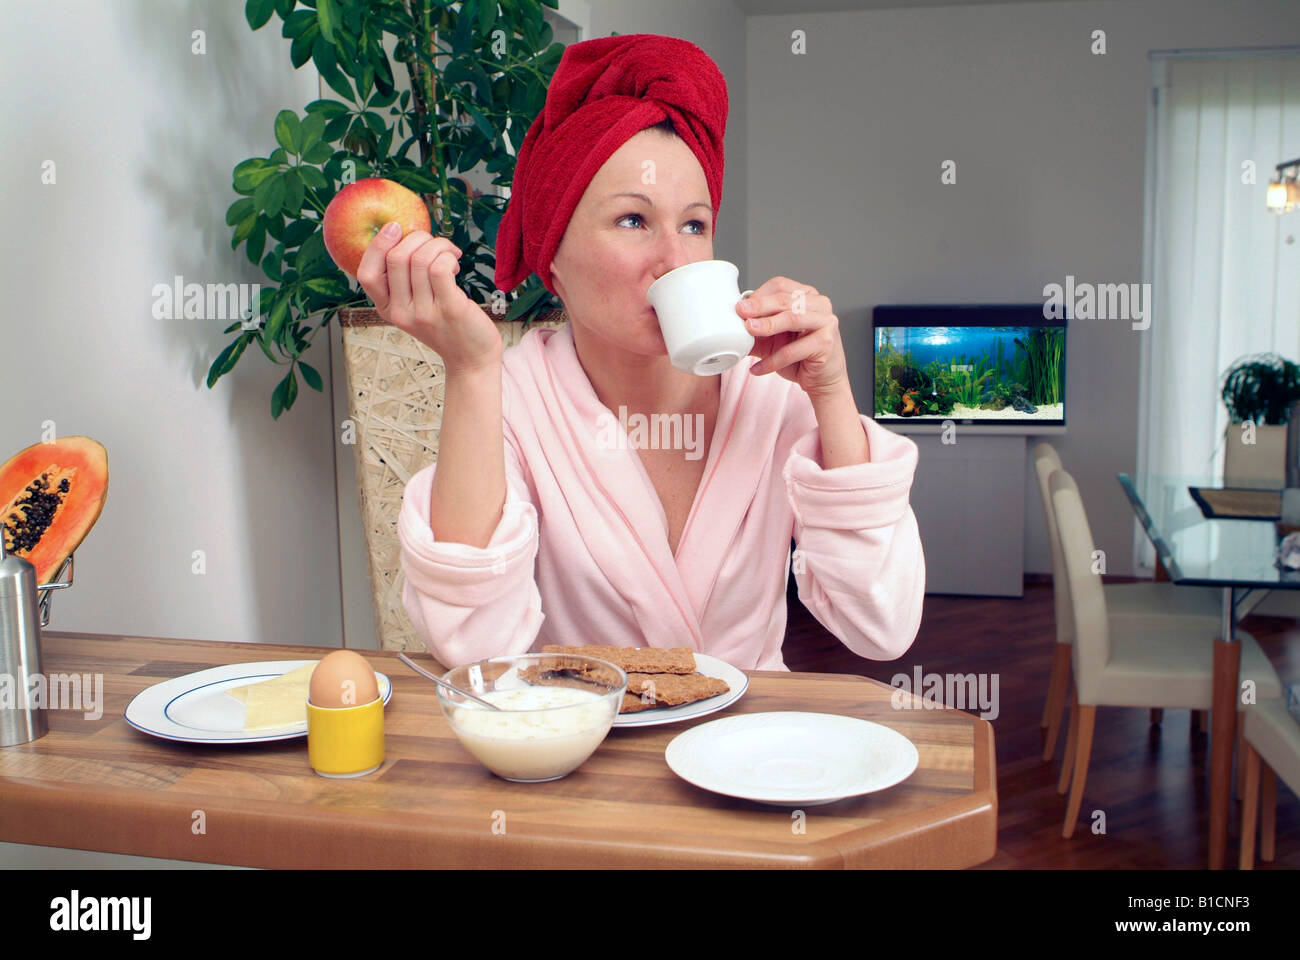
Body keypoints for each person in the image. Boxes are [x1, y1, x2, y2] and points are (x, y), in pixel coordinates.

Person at [355, 34, 925, 670]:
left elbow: (882, 625)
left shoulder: (771, 386)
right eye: (633, 220)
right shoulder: (514, 400)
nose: (675, 258)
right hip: (585, 730)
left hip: (753, 732)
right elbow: (473, 646)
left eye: (694, 224)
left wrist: (832, 395)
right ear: (552, 255)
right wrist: (469, 368)